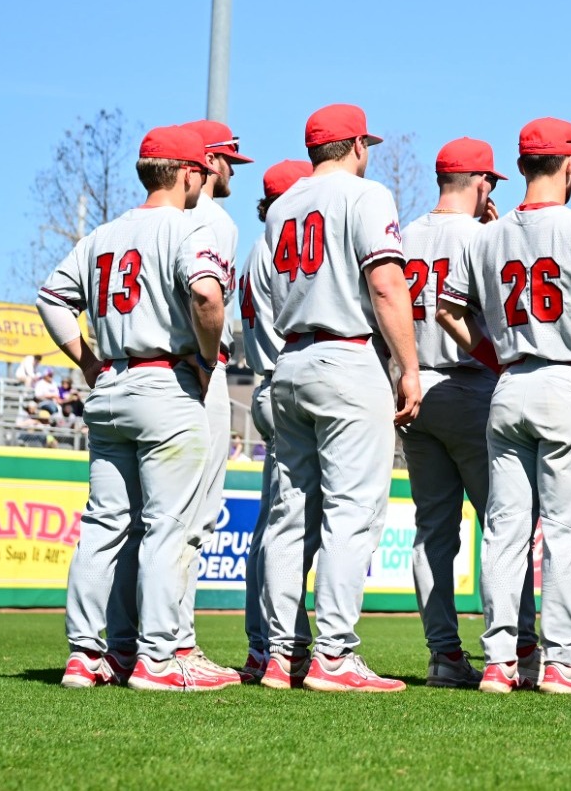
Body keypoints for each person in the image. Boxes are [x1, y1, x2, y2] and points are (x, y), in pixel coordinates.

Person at [438, 116, 571, 696]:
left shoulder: (487, 234)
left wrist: (495, 357)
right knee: (565, 533)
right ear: (569, 164)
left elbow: (448, 310)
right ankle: (560, 662)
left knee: (504, 532)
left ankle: (500, 663)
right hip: (569, 383)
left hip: (510, 385)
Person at [36, 124, 229, 691]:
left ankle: (85, 656)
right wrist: (210, 355)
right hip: (165, 382)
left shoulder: (104, 233)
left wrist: (87, 361)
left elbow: (51, 298)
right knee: (167, 528)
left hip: (112, 384)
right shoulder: (187, 226)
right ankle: (157, 658)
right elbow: (206, 294)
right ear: (191, 172)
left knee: (102, 525)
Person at [257, 104, 421, 693]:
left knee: (287, 516)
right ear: (355, 146)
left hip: (291, 359)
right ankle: (333, 656)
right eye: (366, 144)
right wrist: (409, 367)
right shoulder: (365, 194)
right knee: (352, 514)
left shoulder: (281, 206)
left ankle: (280, 655)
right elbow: (384, 282)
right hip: (347, 355)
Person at [400, 137, 537, 690]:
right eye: (491, 183)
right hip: (471, 384)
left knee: (432, 531)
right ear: (481, 182)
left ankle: (443, 656)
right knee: (505, 527)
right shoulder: (485, 237)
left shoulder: (403, 234)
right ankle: (519, 650)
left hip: (412, 388)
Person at [179, 118, 252, 670]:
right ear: (206, 162)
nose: (230, 171)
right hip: (196, 369)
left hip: (138, 368)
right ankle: (176, 643)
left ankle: (120, 643)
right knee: (191, 517)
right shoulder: (214, 219)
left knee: (138, 518)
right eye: (226, 159)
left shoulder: (146, 219)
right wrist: (206, 362)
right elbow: (207, 300)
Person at [235, 158, 311, 683]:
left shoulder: (258, 249)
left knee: (274, 525)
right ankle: (279, 645)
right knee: (297, 525)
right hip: (291, 380)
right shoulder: (282, 247)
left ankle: (265, 645)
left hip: (269, 386)